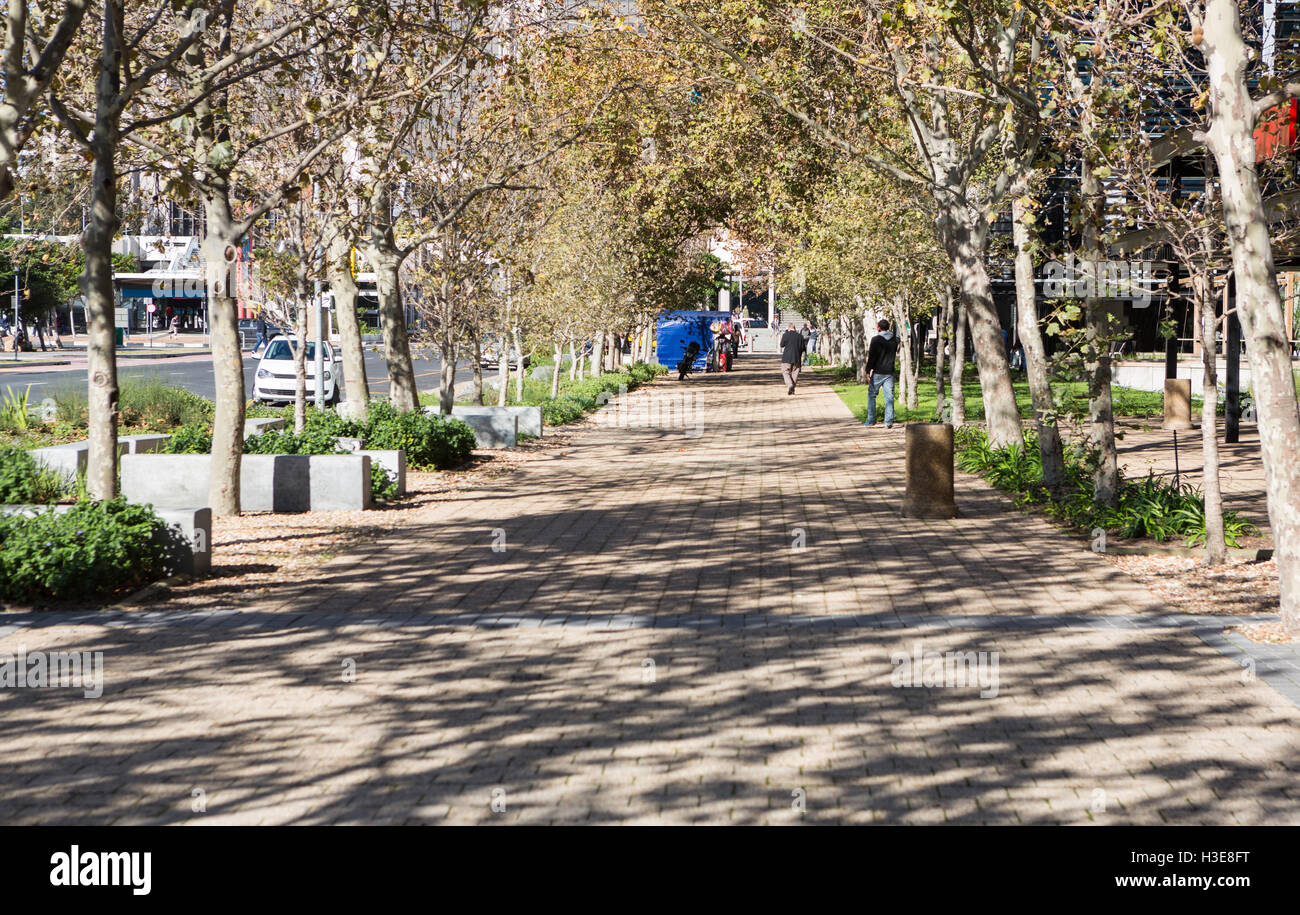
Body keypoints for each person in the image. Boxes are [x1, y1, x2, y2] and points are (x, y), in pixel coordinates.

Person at [864, 318, 900, 428]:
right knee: (889, 397)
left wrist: (867, 371)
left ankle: (871, 420)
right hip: (889, 372)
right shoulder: (895, 340)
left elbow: (872, 357)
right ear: (888, 327)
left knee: (872, 395)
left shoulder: (876, 340)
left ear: (878, 328)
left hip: (878, 372)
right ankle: (888, 421)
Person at [779, 321, 807, 395]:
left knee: (785, 372)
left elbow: (781, 345)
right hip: (797, 357)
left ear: (789, 328)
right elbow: (803, 348)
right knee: (795, 373)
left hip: (787, 357)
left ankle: (790, 385)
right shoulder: (800, 336)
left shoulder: (785, 335)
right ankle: (792, 388)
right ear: (795, 328)